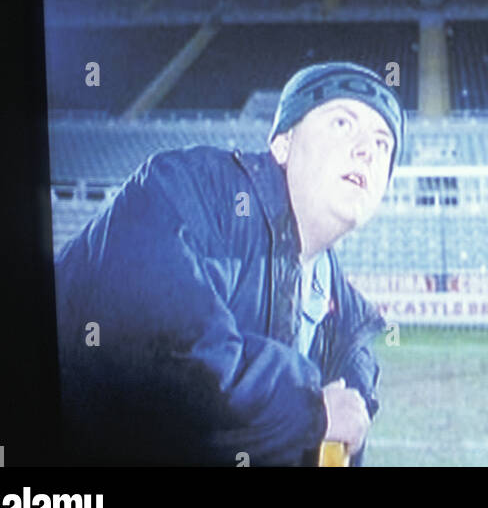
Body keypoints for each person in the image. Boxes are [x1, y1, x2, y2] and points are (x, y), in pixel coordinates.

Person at [54, 62, 402, 466]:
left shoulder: (350, 329)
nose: (367, 150)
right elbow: (163, 357)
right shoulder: (188, 190)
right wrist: (311, 412)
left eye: (383, 144)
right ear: (283, 144)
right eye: (342, 123)